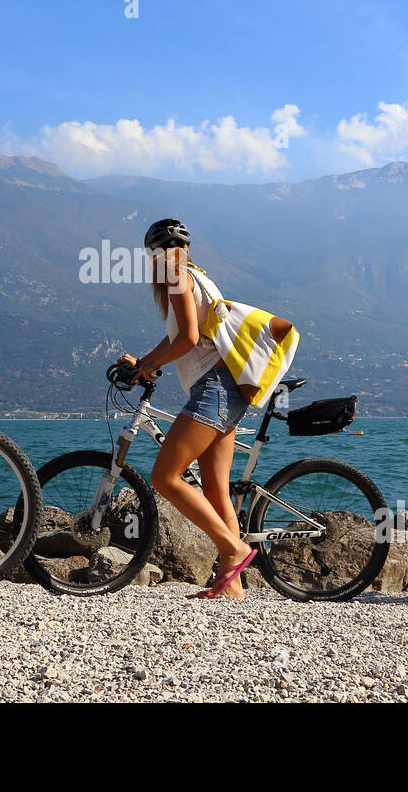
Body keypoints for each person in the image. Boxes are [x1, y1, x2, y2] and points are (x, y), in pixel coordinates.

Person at [118, 219, 256, 600]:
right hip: (226, 386)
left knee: (165, 477)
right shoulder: (197, 276)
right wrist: (146, 361)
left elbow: (190, 338)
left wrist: (148, 366)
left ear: (155, 255)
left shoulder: (177, 276)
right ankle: (231, 588)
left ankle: (234, 548)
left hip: (213, 387)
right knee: (216, 489)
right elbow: (180, 333)